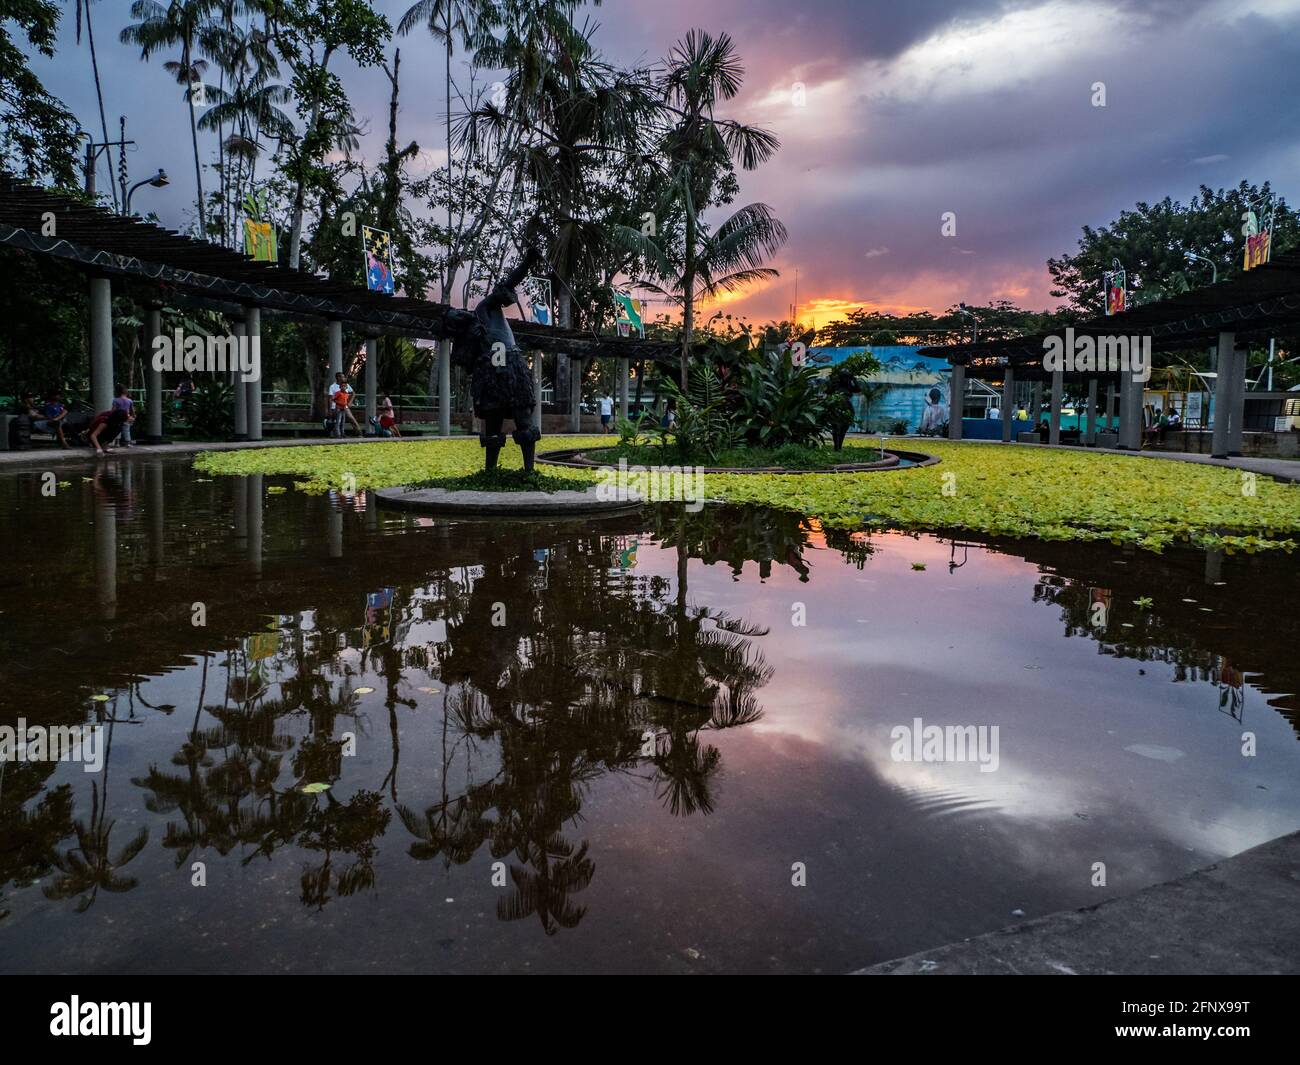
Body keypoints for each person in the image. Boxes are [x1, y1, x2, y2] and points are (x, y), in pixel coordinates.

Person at [328, 372, 361, 437]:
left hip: (345, 406)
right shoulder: (332, 387)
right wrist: (330, 409)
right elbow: (331, 398)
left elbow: (353, 393)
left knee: (351, 418)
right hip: (336, 407)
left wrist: (350, 402)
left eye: (344, 377)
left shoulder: (346, 385)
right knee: (338, 420)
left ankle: (359, 432)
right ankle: (338, 434)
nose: (344, 378)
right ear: (338, 377)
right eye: (342, 377)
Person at [111, 383, 135, 447]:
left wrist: (111, 416)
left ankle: (117, 443)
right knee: (127, 430)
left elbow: (113, 410)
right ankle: (127, 443)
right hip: (126, 417)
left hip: (118, 417)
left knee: (117, 430)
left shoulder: (115, 400)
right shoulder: (129, 400)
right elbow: (132, 410)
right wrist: (133, 416)